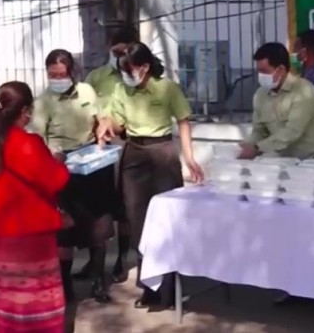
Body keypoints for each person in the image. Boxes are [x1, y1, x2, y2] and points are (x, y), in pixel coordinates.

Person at [96, 42, 204, 308]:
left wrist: (189, 157)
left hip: (162, 153)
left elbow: (183, 120)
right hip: (134, 153)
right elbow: (118, 122)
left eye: (130, 70)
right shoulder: (121, 89)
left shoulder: (166, 88)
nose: (126, 75)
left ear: (144, 67)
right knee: (138, 221)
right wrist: (108, 125)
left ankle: (170, 286)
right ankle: (151, 286)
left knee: (168, 220)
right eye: (123, 70)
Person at [0, 81, 70, 332]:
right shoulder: (26, 143)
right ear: (25, 110)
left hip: (0, 232)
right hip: (31, 234)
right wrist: (59, 161)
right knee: (36, 301)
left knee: (7, 300)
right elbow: (56, 179)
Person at [32, 50, 116, 303]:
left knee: (100, 225)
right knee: (65, 229)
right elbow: (37, 139)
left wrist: (103, 130)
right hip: (62, 167)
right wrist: (52, 157)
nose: (57, 79)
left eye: (62, 74)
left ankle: (99, 280)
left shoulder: (87, 91)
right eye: (52, 75)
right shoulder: (43, 102)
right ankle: (65, 285)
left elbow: (102, 118)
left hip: (93, 162)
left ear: (72, 73)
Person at [79, 26, 137, 284]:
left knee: (124, 207)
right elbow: (85, 109)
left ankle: (122, 259)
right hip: (99, 148)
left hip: (127, 144)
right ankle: (95, 261)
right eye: (116, 51)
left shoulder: (137, 76)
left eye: (124, 51)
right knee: (98, 208)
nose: (120, 56)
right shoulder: (96, 77)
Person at [237, 42, 314, 160]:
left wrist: (257, 148)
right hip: (290, 162)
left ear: (281, 69)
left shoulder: (304, 90)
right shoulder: (261, 95)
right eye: (259, 71)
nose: (261, 76)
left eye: (265, 71)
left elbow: (292, 132)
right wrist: (248, 146)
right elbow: (259, 131)